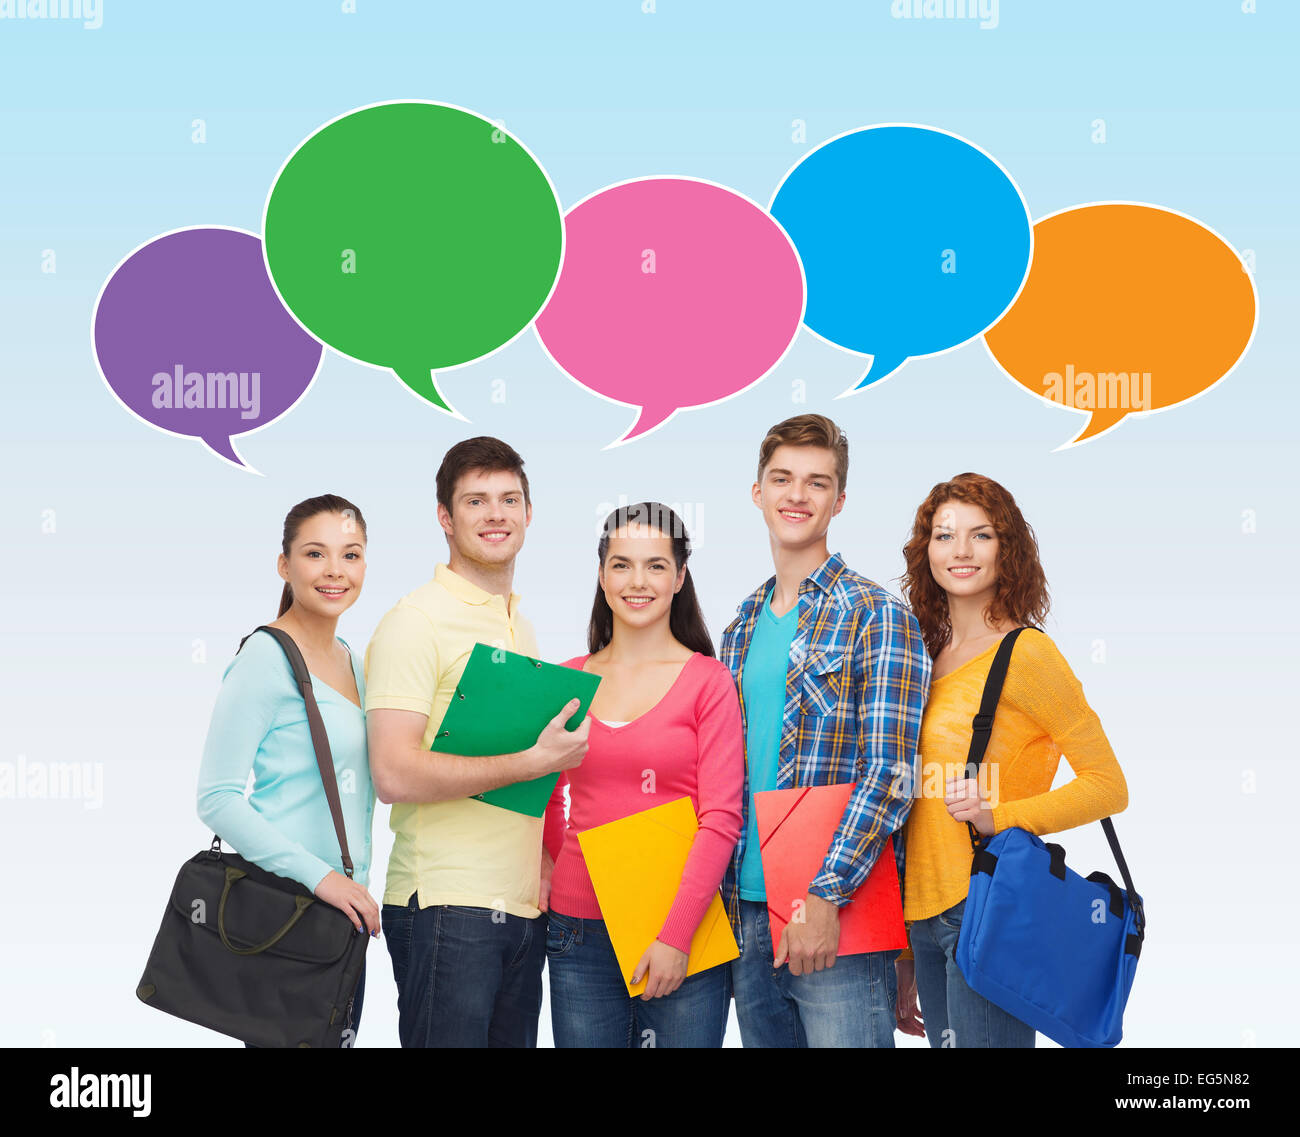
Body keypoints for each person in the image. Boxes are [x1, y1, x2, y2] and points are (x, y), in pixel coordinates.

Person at [364, 436, 589, 1048]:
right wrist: (530, 762)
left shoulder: (521, 623)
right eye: (476, 501)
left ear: (528, 513)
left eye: (509, 499)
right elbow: (393, 774)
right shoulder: (415, 621)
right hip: (445, 904)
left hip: (520, 911)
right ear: (445, 517)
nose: (496, 514)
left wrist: (542, 863)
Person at [894, 473, 1129, 1047]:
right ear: (927, 551)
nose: (962, 551)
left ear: (1009, 550)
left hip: (988, 907)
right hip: (923, 917)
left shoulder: (1028, 654)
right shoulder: (926, 654)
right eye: (945, 536)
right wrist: (902, 947)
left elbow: (1108, 786)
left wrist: (1001, 815)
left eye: (982, 535)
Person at [720, 414, 931, 1048]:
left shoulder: (876, 613)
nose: (796, 495)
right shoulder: (738, 627)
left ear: (838, 502)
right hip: (743, 908)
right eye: (781, 479)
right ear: (757, 491)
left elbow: (892, 774)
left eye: (816, 483)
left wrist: (823, 895)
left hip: (833, 913)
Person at [544, 503, 743, 1048]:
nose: (638, 581)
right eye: (622, 564)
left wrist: (675, 936)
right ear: (602, 575)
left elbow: (721, 819)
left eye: (656, 566)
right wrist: (548, 865)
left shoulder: (709, 682)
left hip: (682, 928)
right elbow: (542, 792)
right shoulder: (567, 679)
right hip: (576, 930)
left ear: (679, 578)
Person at [196, 494, 379, 1047]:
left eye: (351, 555)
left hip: (343, 923)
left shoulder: (355, 659)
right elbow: (218, 798)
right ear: (285, 565)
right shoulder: (265, 659)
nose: (334, 572)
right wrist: (323, 879)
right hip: (289, 912)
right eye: (315, 554)